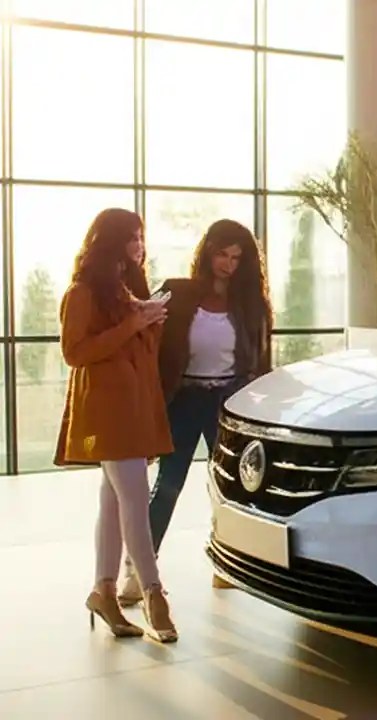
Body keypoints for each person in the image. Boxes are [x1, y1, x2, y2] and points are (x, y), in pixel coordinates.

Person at [117, 219, 273, 605]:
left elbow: (262, 361)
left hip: (230, 401)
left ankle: (227, 565)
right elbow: (142, 332)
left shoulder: (251, 304)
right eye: (222, 254)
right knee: (168, 483)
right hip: (185, 397)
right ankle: (137, 572)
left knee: (231, 487)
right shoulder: (179, 292)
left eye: (237, 257)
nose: (228, 264)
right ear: (207, 251)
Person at [56, 207, 178, 643]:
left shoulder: (128, 291)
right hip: (105, 413)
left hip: (135, 408)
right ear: (110, 242)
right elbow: (75, 352)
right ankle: (153, 592)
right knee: (134, 497)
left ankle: (103, 590)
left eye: (142, 238)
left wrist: (150, 321)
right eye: (131, 238)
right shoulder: (83, 292)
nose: (139, 246)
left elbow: (139, 353)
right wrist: (133, 323)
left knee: (114, 498)